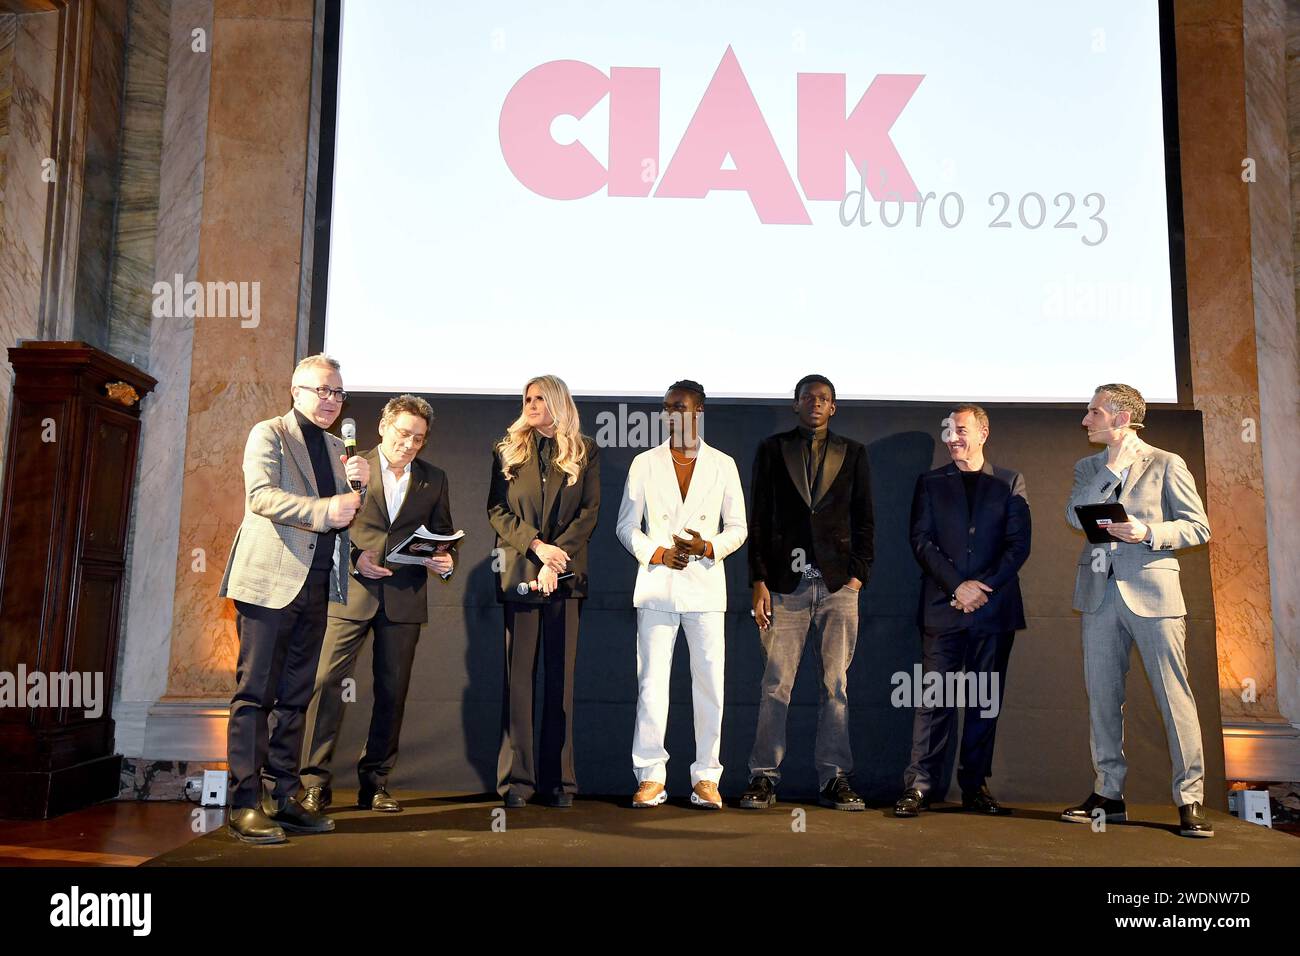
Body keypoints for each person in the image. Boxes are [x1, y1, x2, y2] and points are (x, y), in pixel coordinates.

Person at [218, 354, 369, 844]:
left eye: (338, 393)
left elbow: (341, 518)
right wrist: (328, 508)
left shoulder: (335, 447)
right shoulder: (269, 433)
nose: (331, 401)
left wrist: (357, 551)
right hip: (268, 582)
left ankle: (282, 796)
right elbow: (261, 495)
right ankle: (243, 803)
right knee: (255, 694)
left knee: (295, 698)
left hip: (318, 583)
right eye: (322, 390)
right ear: (296, 390)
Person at [1060, 384, 1214, 837]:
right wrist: (1111, 471)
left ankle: (1190, 799)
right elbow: (1074, 515)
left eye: (1093, 412)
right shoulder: (1089, 466)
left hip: (1154, 596)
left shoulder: (1167, 463)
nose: (1086, 420)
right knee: (1103, 699)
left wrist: (1147, 530)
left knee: (1174, 697)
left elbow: (1197, 526)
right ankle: (1109, 794)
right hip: (1098, 594)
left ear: (1121, 417)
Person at [299, 394, 455, 815]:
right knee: (325, 684)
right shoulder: (348, 465)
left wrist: (444, 560)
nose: (409, 443)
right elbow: (327, 522)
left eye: (418, 438)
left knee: (393, 692)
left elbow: (442, 531)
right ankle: (313, 783)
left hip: (404, 598)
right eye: (404, 433)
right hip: (350, 593)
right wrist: (356, 559)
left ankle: (376, 783)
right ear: (383, 426)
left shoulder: (433, 478)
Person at [742, 374, 873, 811]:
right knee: (776, 685)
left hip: (838, 588)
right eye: (808, 398)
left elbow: (865, 521)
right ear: (796, 404)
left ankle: (835, 777)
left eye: (824, 399)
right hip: (784, 587)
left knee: (835, 685)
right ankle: (763, 777)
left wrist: (856, 578)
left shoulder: (854, 453)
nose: (816, 404)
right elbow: (757, 519)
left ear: (833, 407)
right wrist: (758, 580)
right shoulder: (771, 449)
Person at [894, 404, 1031, 817]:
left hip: (993, 612)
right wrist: (958, 587)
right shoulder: (931, 482)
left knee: (983, 700)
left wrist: (980, 589)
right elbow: (921, 542)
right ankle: (919, 786)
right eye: (948, 431)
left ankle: (974, 785)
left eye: (960, 429)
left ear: (983, 432)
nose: (952, 437)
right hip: (942, 608)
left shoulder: (1010, 482)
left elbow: (1017, 545)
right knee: (932, 700)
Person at [616, 380, 747, 810]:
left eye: (683, 408)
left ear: (700, 411)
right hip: (657, 588)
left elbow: (738, 529)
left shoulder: (723, 464)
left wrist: (707, 547)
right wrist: (657, 552)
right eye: (668, 408)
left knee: (710, 686)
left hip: (706, 589)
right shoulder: (644, 463)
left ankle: (707, 777)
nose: (675, 415)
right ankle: (651, 775)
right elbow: (625, 526)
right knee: (652, 685)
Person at [487, 375, 600, 808]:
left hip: (566, 579)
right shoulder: (506, 450)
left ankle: (560, 783)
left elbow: (589, 513)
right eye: (527, 398)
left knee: (561, 683)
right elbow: (495, 511)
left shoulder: (585, 451)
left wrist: (557, 559)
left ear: (558, 403)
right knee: (519, 684)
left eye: (540, 398)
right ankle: (517, 782)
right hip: (519, 573)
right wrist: (538, 548)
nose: (531, 404)